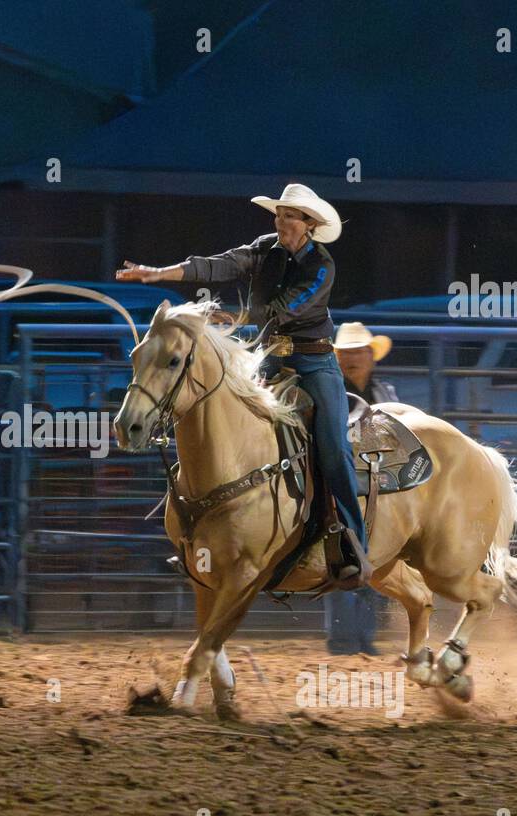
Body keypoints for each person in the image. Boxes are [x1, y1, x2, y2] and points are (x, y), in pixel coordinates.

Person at [116, 183, 371, 588]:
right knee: (218, 421)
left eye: (291, 215)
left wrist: (218, 317)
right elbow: (218, 265)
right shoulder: (264, 247)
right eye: (280, 214)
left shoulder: (321, 265)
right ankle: (199, 532)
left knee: (333, 444)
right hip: (269, 359)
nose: (282, 221)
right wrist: (160, 273)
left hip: (314, 363)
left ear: (308, 224)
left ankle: (353, 540)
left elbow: (283, 310)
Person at [325, 321, 400, 655]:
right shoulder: (330, 391)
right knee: (345, 555)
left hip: (377, 485)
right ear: (337, 357)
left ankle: (363, 637)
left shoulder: (385, 393)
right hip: (342, 484)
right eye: (346, 352)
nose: (353, 358)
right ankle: (343, 639)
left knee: (376, 556)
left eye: (358, 352)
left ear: (371, 356)